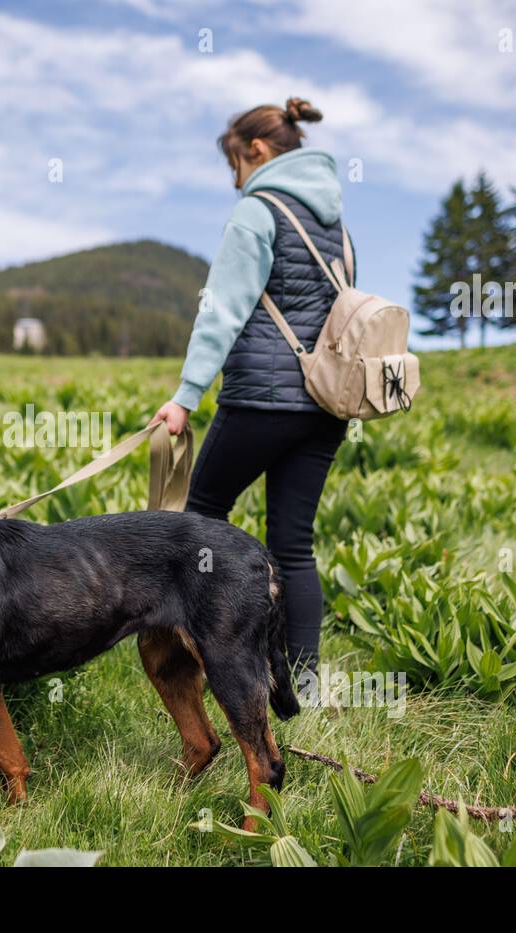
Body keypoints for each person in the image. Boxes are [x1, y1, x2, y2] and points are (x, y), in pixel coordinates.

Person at [150, 97, 351, 681]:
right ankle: (301, 683)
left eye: (235, 165)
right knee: (293, 544)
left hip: (261, 402)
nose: (236, 180)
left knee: (201, 517)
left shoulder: (258, 210)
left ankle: (209, 655)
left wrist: (186, 395)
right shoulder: (335, 222)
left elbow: (221, 311)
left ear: (256, 151)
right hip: (325, 405)